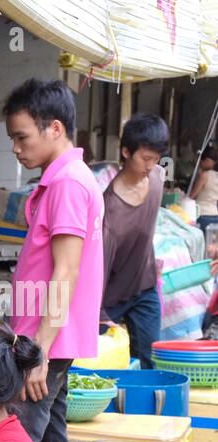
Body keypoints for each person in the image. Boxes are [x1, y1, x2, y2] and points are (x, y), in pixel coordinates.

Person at [5, 78, 104, 442]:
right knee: (52, 438)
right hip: (51, 337)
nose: (15, 148)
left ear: (55, 129)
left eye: (21, 137)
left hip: (46, 340)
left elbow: (66, 271)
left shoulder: (67, 184)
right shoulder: (66, 178)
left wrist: (37, 352)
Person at [101, 114, 168, 370]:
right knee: (99, 364)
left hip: (145, 288)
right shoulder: (110, 208)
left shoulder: (159, 179)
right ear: (126, 151)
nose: (151, 166)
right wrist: (98, 312)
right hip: (109, 298)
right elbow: (98, 265)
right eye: (146, 158)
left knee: (151, 362)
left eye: (157, 159)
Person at [188, 146, 218, 236]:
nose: (200, 163)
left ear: (208, 160)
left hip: (203, 215)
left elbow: (192, 196)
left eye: (201, 161)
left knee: (202, 246)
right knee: (211, 247)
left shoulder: (205, 175)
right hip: (215, 214)